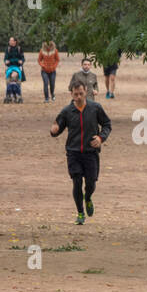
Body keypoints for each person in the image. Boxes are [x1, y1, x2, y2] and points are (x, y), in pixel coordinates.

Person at [50, 81, 111, 225]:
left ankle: (88, 197)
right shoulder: (66, 111)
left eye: (81, 94)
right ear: (71, 94)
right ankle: (80, 213)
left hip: (91, 153)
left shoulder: (95, 108)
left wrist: (101, 138)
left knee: (90, 183)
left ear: (86, 92)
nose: (78, 97)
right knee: (76, 182)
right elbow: (57, 128)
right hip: (73, 153)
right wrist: (53, 131)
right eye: (75, 94)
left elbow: (107, 125)